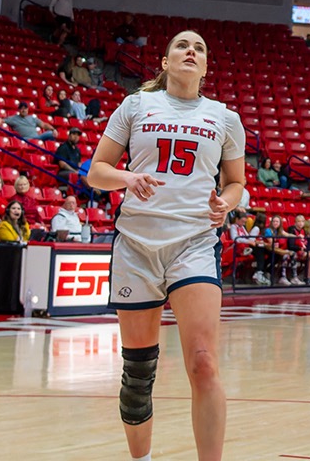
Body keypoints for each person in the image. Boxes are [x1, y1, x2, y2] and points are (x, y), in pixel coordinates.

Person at [86, 29, 246, 461]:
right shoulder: (136, 105)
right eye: (182, 46)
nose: (191, 51)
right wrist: (128, 178)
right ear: (165, 62)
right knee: (138, 373)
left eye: (200, 49)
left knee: (204, 362)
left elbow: (236, 185)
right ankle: (142, 459)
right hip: (137, 245)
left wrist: (224, 205)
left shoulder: (224, 118)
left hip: (193, 242)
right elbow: (96, 171)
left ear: (206, 67)